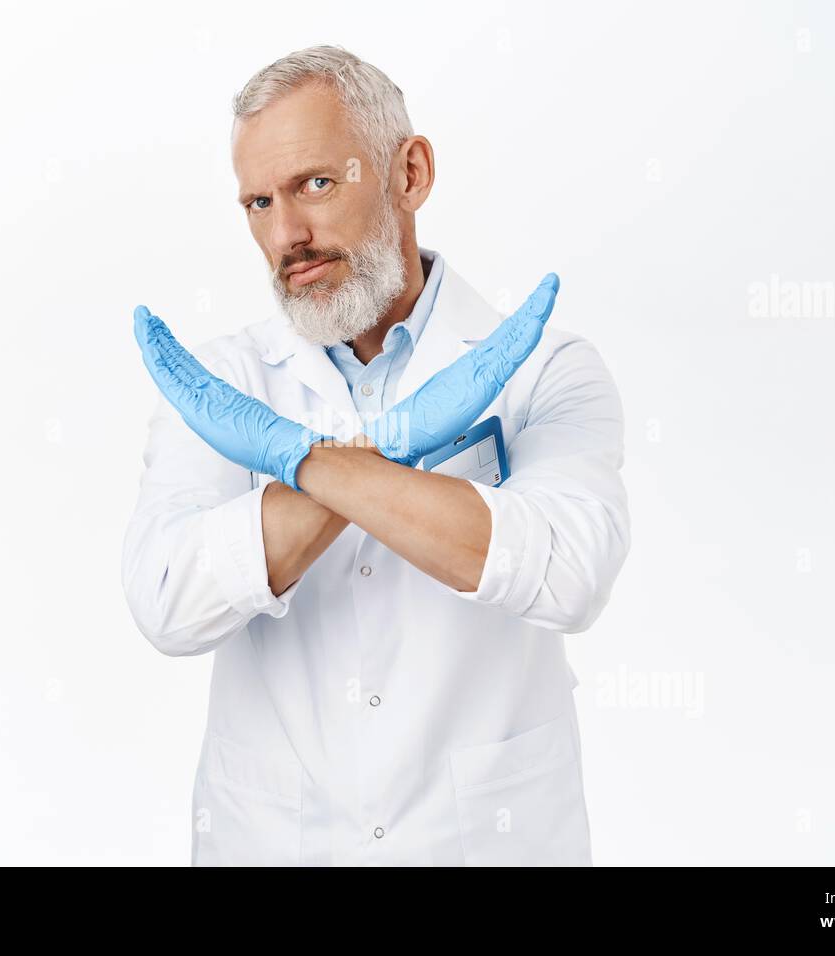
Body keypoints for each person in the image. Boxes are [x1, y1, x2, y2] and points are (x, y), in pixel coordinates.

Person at [123, 44, 630, 866]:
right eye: (259, 202)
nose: (286, 235)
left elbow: (571, 575)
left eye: (317, 184)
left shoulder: (544, 368)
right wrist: (381, 456)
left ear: (410, 173)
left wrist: (302, 461)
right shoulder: (220, 386)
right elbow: (169, 602)